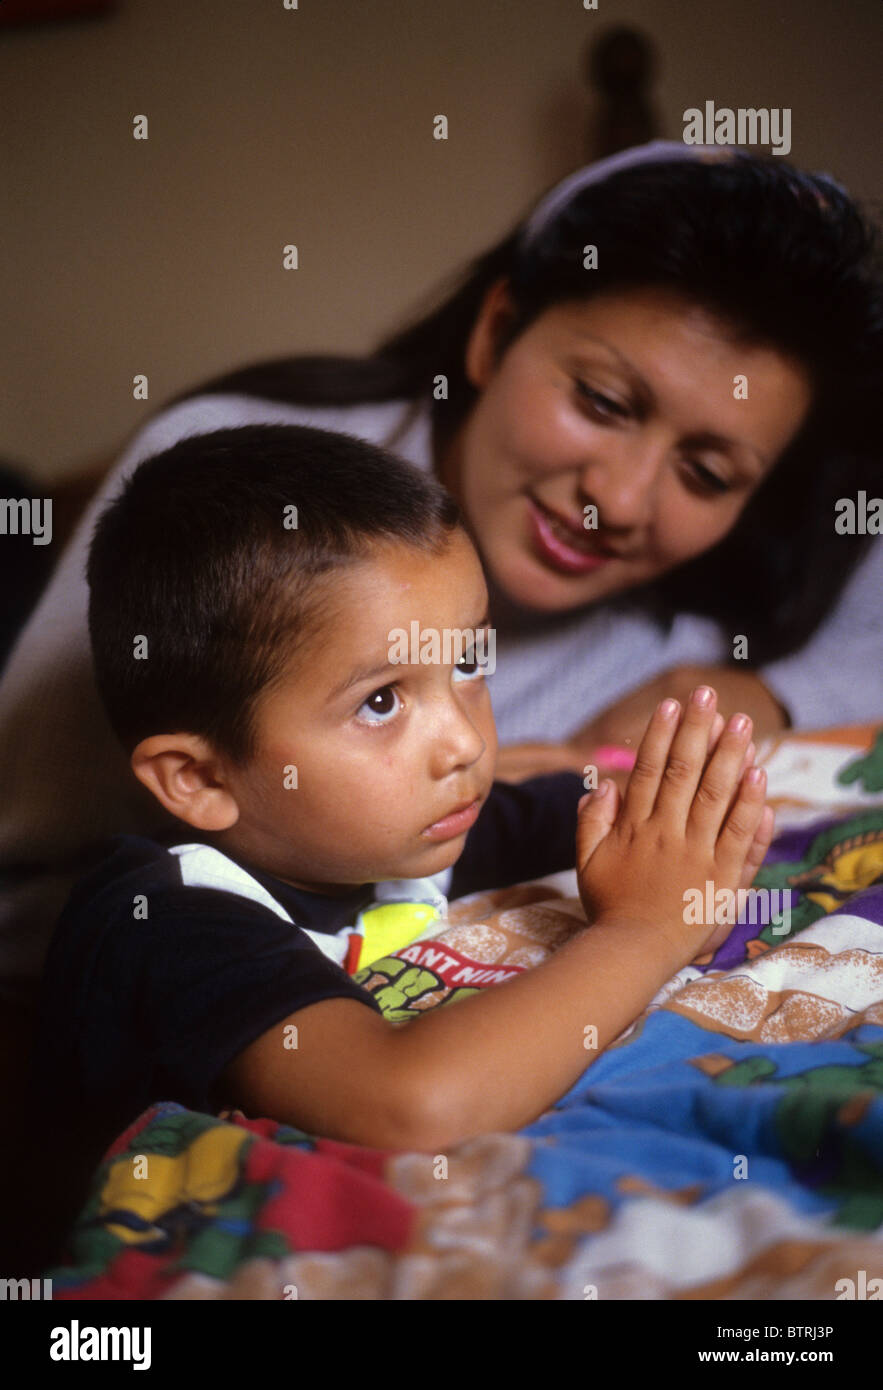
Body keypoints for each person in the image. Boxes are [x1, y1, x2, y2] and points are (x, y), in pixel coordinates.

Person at [0, 141, 879, 996]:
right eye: (602, 402)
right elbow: (28, 865)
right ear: (497, 333)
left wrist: (757, 694)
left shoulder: (701, 618)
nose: (617, 498)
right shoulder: (218, 483)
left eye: (706, 473)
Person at [28, 424, 773, 1244]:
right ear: (200, 780)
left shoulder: (400, 829)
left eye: (466, 665)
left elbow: (626, 819)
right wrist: (643, 930)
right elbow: (410, 1103)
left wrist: (672, 798)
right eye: (380, 702)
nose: (463, 743)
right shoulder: (165, 923)